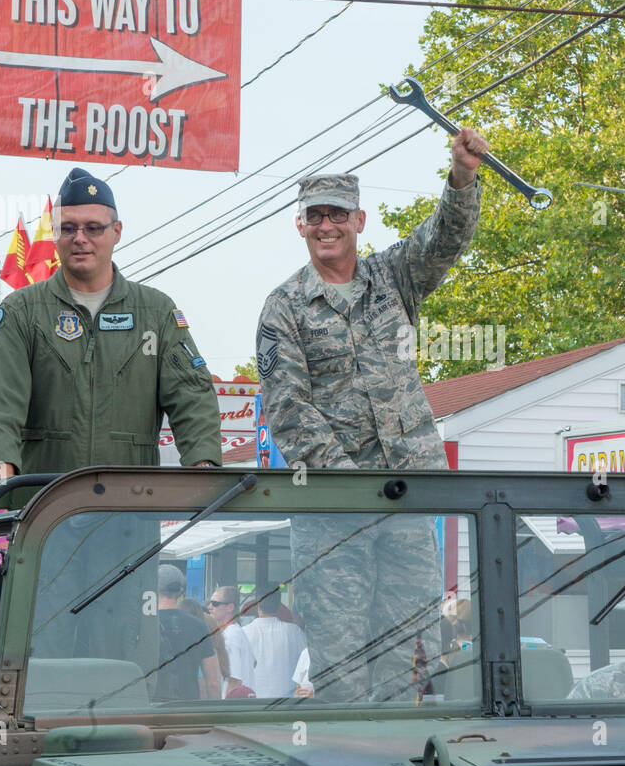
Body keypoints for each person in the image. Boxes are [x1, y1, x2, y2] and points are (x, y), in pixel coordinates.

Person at [256, 132, 487, 702]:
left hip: (408, 503)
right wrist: (355, 485)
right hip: (333, 512)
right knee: (342, 663)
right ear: (300, 224)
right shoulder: (283, 308)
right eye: (315, 215)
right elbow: (288, 409)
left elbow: (445, 239)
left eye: (337, 214)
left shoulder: (394, 277)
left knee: (411, 658)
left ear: (360, 220)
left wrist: (461, 176)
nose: (326, 225)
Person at [0, 167, 221, 480]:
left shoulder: (156, 312)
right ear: (54, 232)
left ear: (116, 231)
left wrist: (205, 468)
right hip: (40, 511)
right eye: (68, 228)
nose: (80, 239)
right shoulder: (22, 311)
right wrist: (1, 468)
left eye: (93, 228)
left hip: (131, 511)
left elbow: (193, 397)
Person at [155, 564, 220, 702]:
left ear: (154, 589)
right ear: (180, 591)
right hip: (188, 710)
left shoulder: (147, 626)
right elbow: (213, 683)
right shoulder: (199, 626)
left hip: (153, 710)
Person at [242, 585, 309, 698]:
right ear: (279, 606)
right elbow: (307, 664)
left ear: (258, 605)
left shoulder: (244, 633)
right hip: (286, 704)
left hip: (253, 702)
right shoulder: (294, 632)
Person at [207, 585, 254, 696]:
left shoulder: (231, 636)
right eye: (210, 603)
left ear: (230, 607)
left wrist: (223, 710)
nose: (209, 607)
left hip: (232, 706)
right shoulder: (235, 632)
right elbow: (254, 663)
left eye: (215, 603)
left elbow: (234, 681)